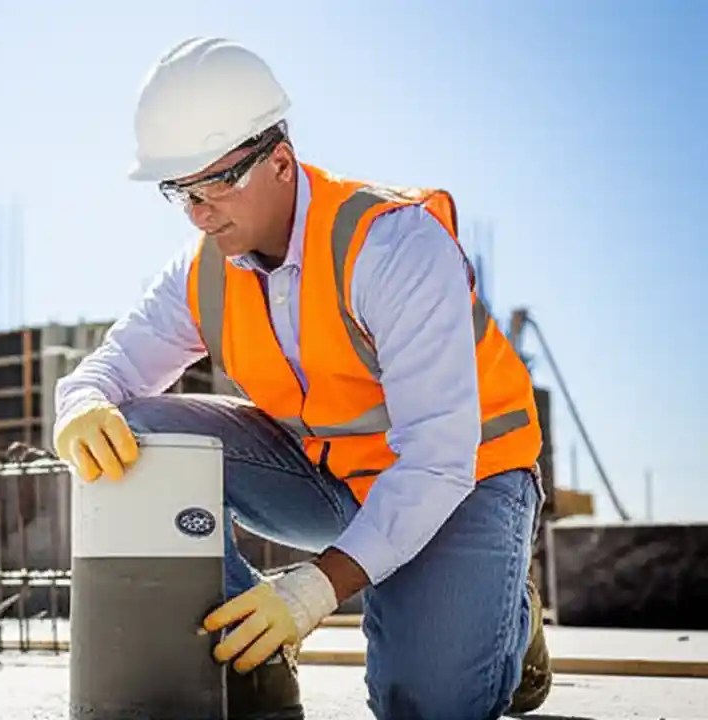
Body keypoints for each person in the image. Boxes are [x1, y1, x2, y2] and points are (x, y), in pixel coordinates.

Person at [52, 36, 552, 720]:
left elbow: (439, 458)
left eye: (216, 183)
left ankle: (507, 621)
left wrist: (313, 591)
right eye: (181, 191)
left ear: (281, 161)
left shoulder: (393, 245)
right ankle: (252, 673)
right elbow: (111, 371)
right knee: (131, 429)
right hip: (330, 480)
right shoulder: (201, 271)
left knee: (426, 705)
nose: (200, 212)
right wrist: (77, 403)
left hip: (467, 481)